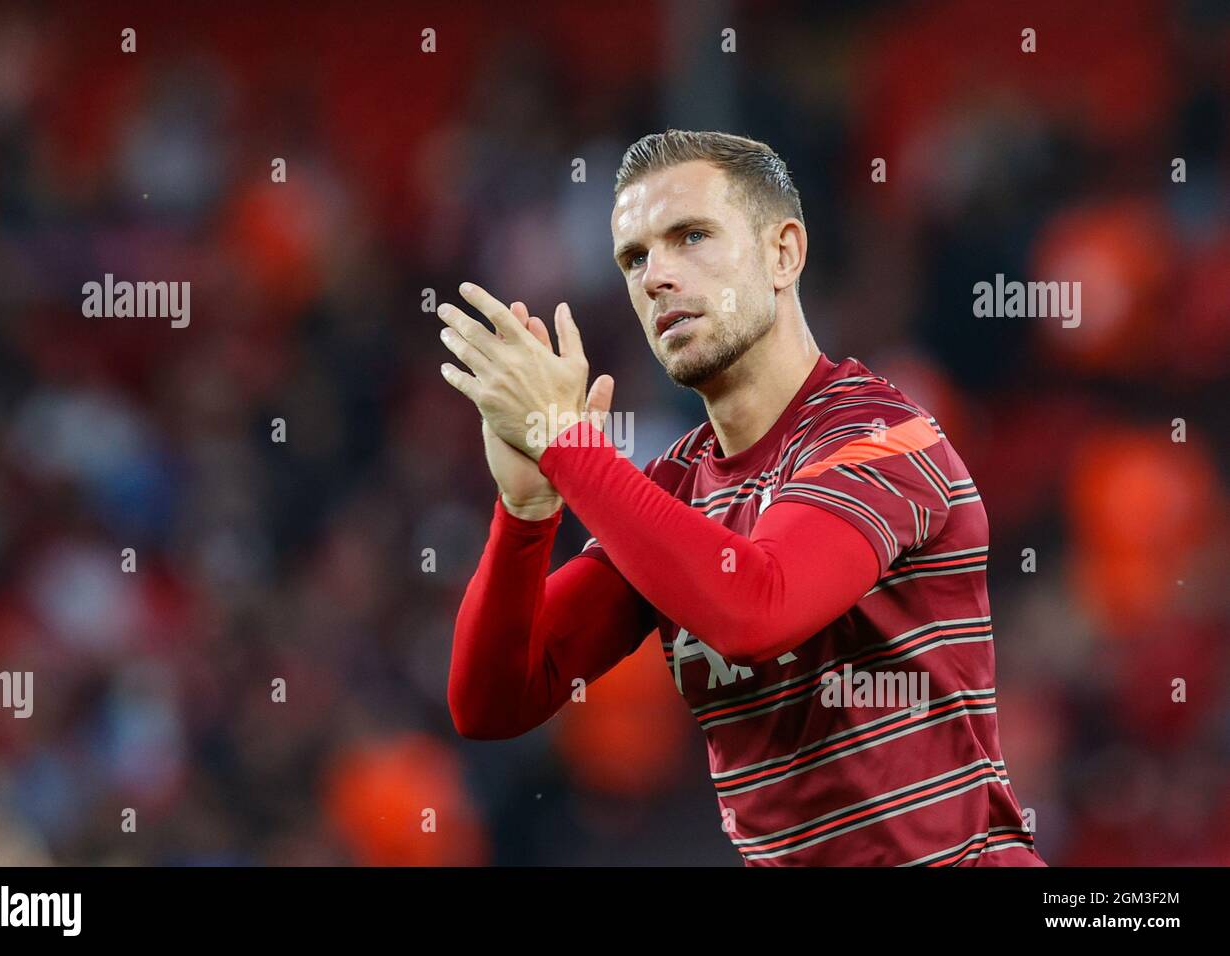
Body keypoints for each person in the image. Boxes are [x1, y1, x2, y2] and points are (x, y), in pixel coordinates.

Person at [438, 129, 1045, 866]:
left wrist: (570, 444)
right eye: (634, 258)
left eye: (691, 236)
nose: (657, 275)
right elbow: (494, 700)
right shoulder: (676, 491)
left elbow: (756, 609)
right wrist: (526, 512)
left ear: (783, 252)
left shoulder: (883, 436)